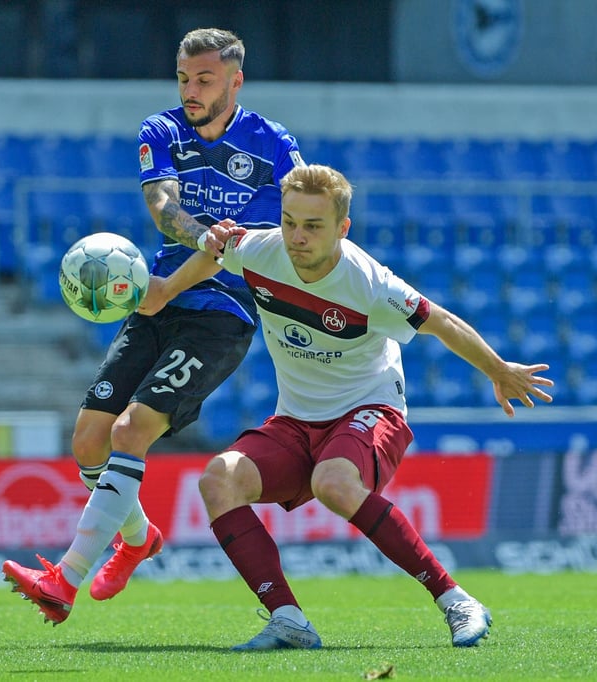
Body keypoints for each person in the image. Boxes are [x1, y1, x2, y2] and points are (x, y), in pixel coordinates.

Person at [141, 164, 554, 649]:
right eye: (289, 221)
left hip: (369, 409)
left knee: (334, 482)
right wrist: (167, 289)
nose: (297, 236)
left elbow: (441, 321)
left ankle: (456, 599)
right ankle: (288, 621)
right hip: (296, 419)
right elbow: (217, 254)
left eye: (313, 226)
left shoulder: (370, 284)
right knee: (218, 479)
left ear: (342, 228)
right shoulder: (259, 249)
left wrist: (498, 370)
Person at [2, 27, 305, 625]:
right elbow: (164, 207)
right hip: (158, 302)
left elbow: (259, 241)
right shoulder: (161, 130)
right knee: (88, 439)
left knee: (130, 431)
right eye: (184, 79)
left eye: (205, 80)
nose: (191, 91)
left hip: (222, 316)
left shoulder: (273, 147)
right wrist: (194, 245)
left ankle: (64, 579)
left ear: (235, 81)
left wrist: (186, 271)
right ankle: (138, 538)